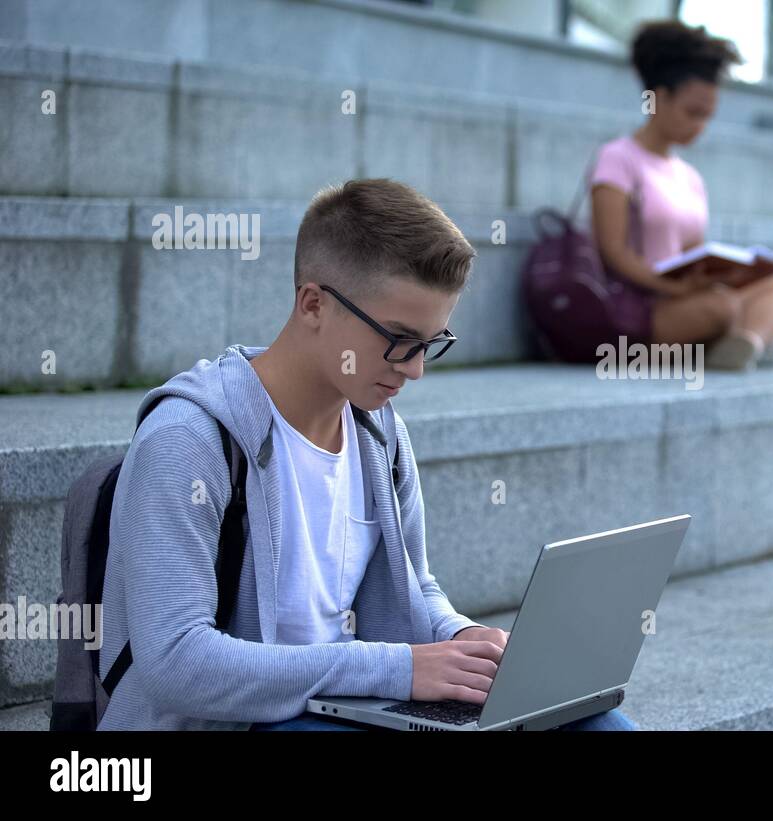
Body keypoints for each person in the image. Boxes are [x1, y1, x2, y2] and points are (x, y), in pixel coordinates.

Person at [97, 179, 635, 731]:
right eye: (398, 339)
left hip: (343, 705)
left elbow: (414, 585)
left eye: (430, 343)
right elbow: (176, 664)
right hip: (232, 723)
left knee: (602, 728)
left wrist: (461, 638)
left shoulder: (380, 433)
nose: (415, 368)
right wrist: (394, 669)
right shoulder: (188, 439)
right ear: (313, 304)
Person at [590, 19, 773, 371]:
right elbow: (614, 253)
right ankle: (757, 340)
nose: (700, 125)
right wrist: (675, 290)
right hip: (640, 306)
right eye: (692, 113)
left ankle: (745, 344)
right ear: (656, 98)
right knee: (721, 309)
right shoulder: (617, 159)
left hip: (685, 298)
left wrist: (722, 276)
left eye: (708, 116)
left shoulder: (689, 177)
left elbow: (694, 255)